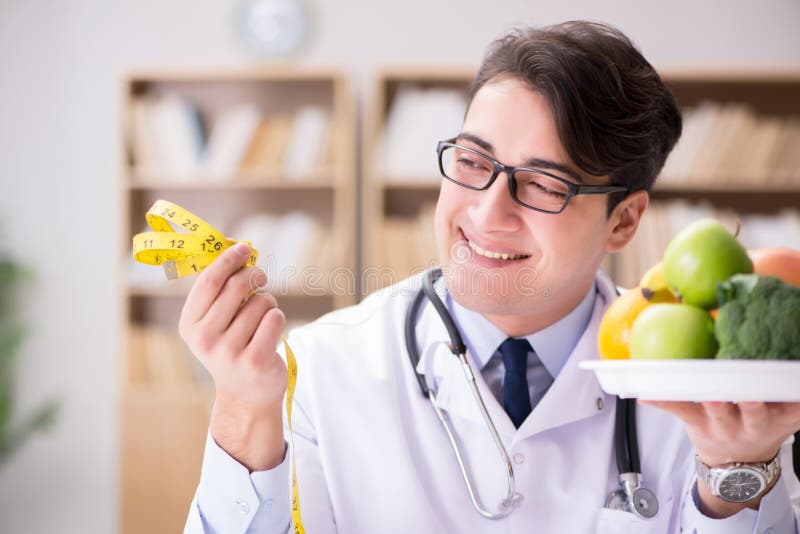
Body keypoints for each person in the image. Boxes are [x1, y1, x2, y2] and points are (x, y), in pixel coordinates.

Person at [181, 21, 800, 533]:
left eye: (542, 184)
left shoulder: (713, 389)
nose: (485, 211)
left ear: (624, 221)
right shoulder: (314, 369)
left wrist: (732, 475)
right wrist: (242, 412)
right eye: (474, 161)